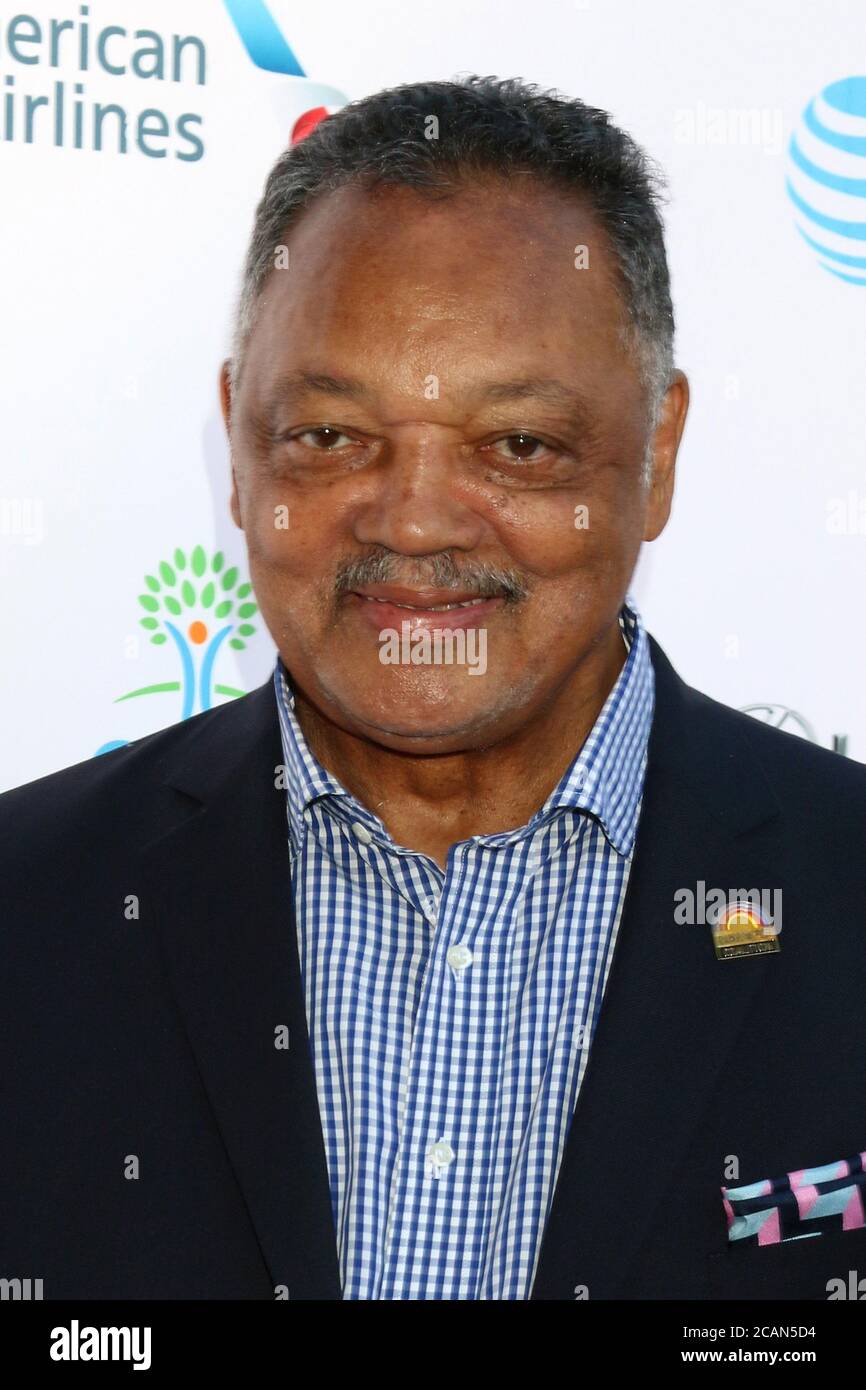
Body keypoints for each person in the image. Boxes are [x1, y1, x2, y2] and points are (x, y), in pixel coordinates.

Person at [2, 75, 864, 1301]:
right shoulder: (27, 913)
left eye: (516, 445)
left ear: (656, 456)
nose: (409, 521)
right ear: (236, 444)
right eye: (329, 436)